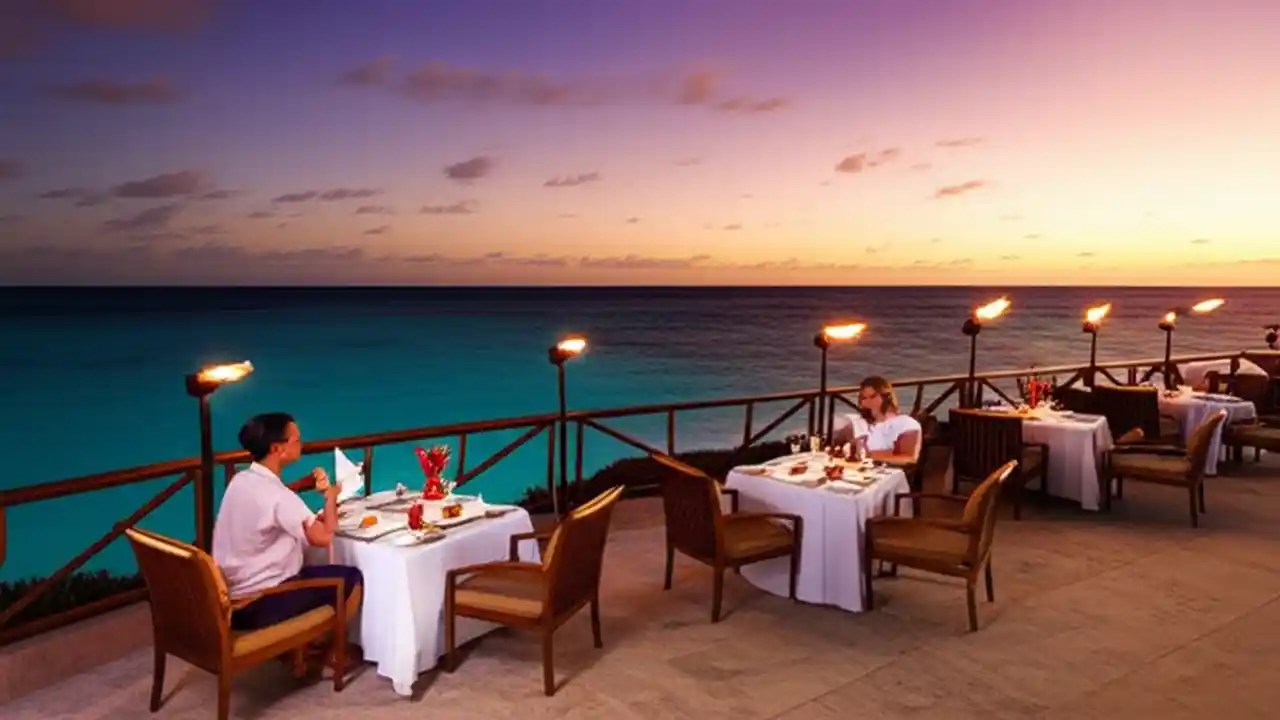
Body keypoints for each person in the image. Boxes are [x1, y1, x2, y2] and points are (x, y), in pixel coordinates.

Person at [213, 412, 362, 631]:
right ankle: (329, 650)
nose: (301, 443)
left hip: (232, 599)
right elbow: (325, 536)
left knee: (314, 566)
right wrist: (331, 496)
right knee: (351, 577)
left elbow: (270, 509)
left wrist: (302, 486)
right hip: (262, 602)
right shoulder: (278, 496)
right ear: (277, 449)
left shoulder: (240, 480)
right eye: (296, 440)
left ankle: (307, 644)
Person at [855, 376, 922, 464]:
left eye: (873, 396)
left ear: (886, 397)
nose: (868, 401)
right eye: (864, 398)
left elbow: (910, 458)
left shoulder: (907, 424)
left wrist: (869, 456)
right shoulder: (861, 423)